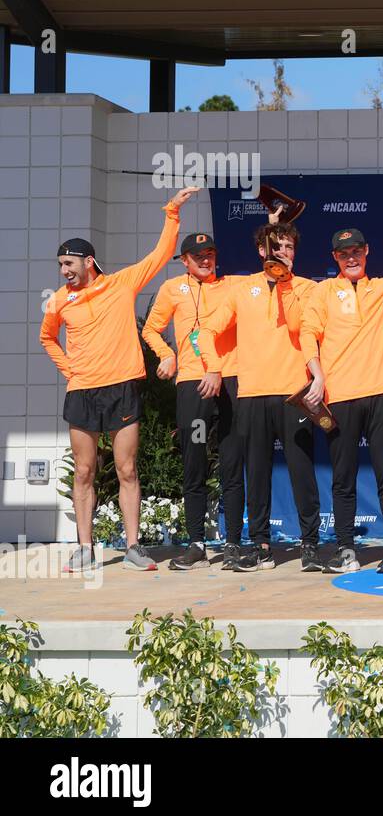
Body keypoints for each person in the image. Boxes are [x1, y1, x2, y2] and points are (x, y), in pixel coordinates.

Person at [41, 186, 199, 573]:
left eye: (69, 263)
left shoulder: (122, 284)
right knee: (84, 471)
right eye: (61, 264)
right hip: (81, 391)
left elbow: (161, 254)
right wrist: (70, 369)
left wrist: (172, 212)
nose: (64, 271)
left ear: (88, 261)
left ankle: (132, 547)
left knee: (127, 469)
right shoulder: (60, 300)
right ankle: (84, 548)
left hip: (122, 388)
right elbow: (47, 337)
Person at [197, 216, 319, 572]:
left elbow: (298, 326)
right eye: (275, 247)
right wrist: (213, 366)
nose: (282, 253)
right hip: (250, 394)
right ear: (261, 251)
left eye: (288, 247)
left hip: (293, 391)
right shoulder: (241, 289)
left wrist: (284, 282)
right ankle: (261, 543)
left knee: (301, 470)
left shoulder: (307, 288)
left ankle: (310, 544)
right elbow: (206, 331)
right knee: (258, 473)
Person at [301, 226, 383, 575]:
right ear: (334, 258)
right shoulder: (323, 291)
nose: (350, 257)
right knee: (343, 477)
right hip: (338, 397)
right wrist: (317, 375)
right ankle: (345, 550)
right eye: (343, 253)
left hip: (381, 394)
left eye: (356, 251)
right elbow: (308, 333)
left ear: (367, 251)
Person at [142, 231, 246, 571]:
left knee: (231, 466)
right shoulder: (173, 288)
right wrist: (166, 354)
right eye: (197, 255)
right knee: (195, 464)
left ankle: (232, 544)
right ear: (184, 260)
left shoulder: (233, 286)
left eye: (210, 253)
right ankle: (197, 544)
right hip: (192, 384)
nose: (205, 259)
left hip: (230, 380)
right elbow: (151, 329)